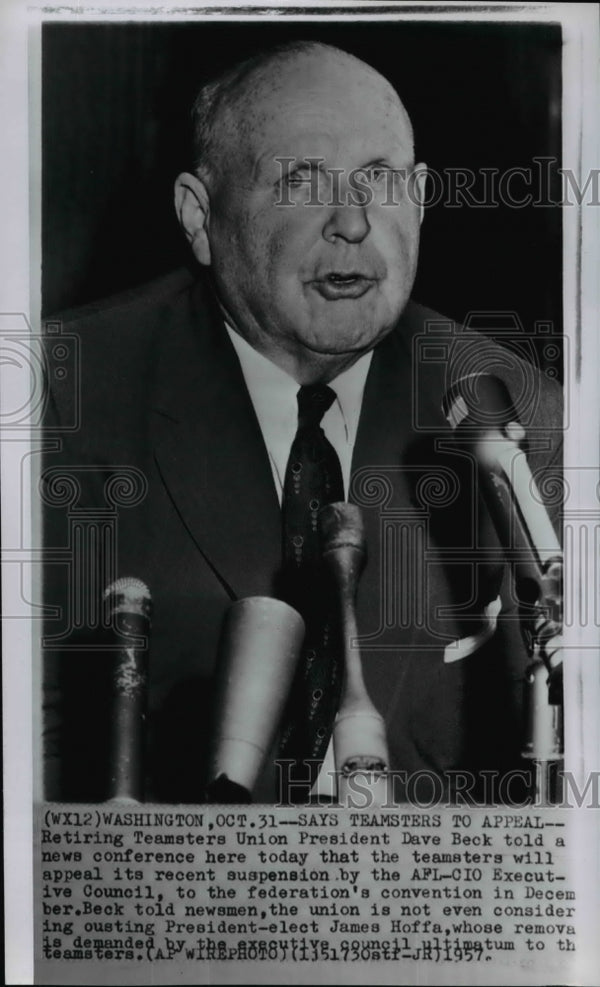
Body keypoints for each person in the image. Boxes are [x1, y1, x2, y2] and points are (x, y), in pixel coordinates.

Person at [42, 40, 562, 804]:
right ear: (199, 215)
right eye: (302, 181)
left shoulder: (520, 419)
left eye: (379, 179)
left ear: (420, 197)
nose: (353, 221)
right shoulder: (59, 397)